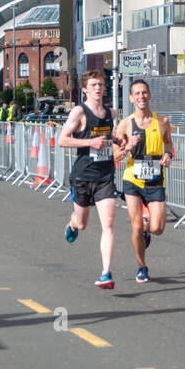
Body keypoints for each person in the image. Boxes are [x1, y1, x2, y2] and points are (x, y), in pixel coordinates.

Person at [57, 72, 119, 288]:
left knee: (108, 224)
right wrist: (90, 143)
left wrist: (120, 140)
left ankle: (106, 273)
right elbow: (62, 140)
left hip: (105, 176)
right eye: (93, 85)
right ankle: (72, 223)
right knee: (82, 224)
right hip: (83, 176)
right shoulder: (79, 112)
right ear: (85, 89)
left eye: (101, 84)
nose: (98, 88)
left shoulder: (111, 112)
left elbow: (109, 137)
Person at [114, 78, 174, 285]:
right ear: (131, 98)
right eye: (137, 93)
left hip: (156, 179)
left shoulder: (163, 121)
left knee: (157, 228)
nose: (141, 96)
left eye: (144, 92)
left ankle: (148, 230)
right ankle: (142, 267)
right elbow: (114, 156)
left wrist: (168, 156)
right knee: (136, 226)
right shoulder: (124, 124)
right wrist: (126, 147)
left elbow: (168, 146)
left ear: (149, 95)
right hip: (133, 179)